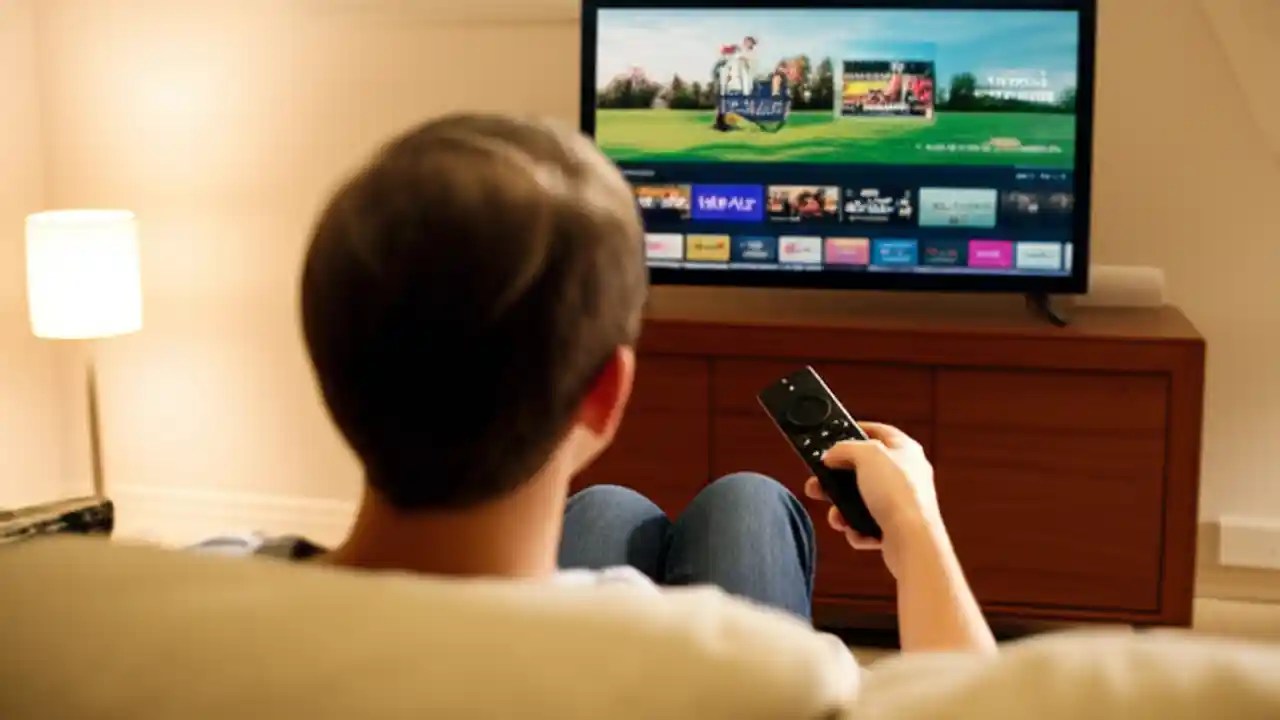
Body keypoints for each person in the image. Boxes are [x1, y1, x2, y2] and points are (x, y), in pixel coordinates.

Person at [201, 114, 996, 657]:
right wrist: (916, 531)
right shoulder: (751, 672)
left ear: (325, 365)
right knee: (748, 499)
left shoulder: (194, 597)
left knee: (615, 512)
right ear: (607, 393)